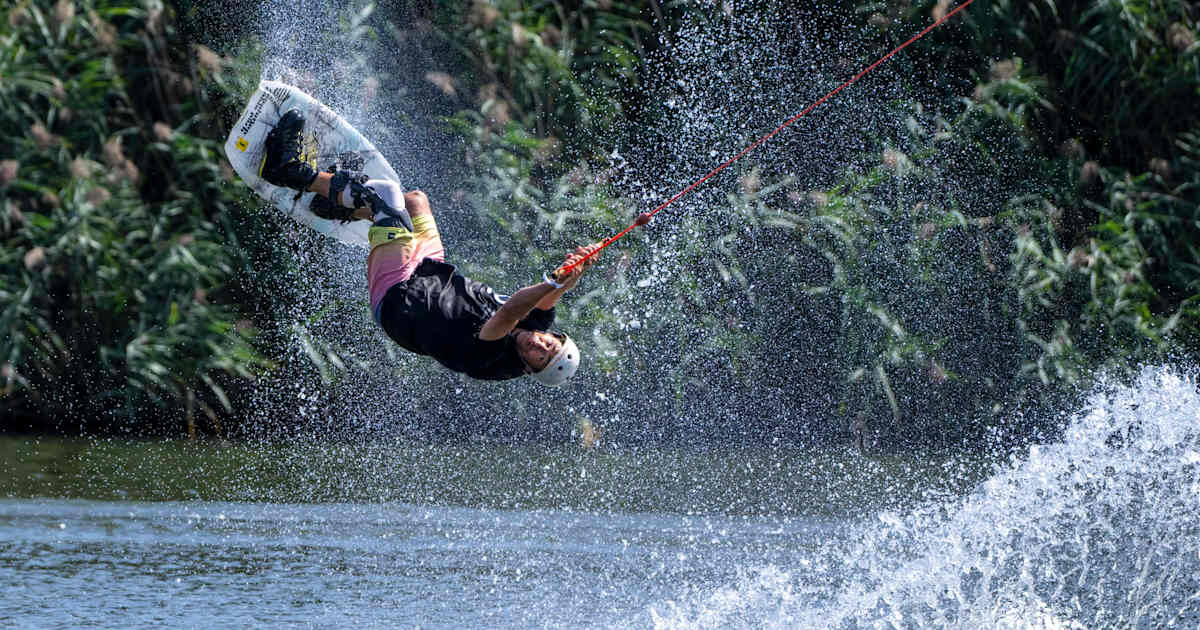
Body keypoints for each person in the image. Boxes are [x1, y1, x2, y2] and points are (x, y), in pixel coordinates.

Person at [259, 109, 599, 386]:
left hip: (400, 299)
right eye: (549, 344)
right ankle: (339, 205)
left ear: (530, 368)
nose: (538, 345)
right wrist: (576, 271)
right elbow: (549, 297)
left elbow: (510, 311)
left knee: (387, 196)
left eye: (541, 357)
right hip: (429, 270)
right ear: (552, 335)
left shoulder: (492, 359)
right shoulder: (538, 323)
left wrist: (555, 283)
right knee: (415, 201)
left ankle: (289, 171)